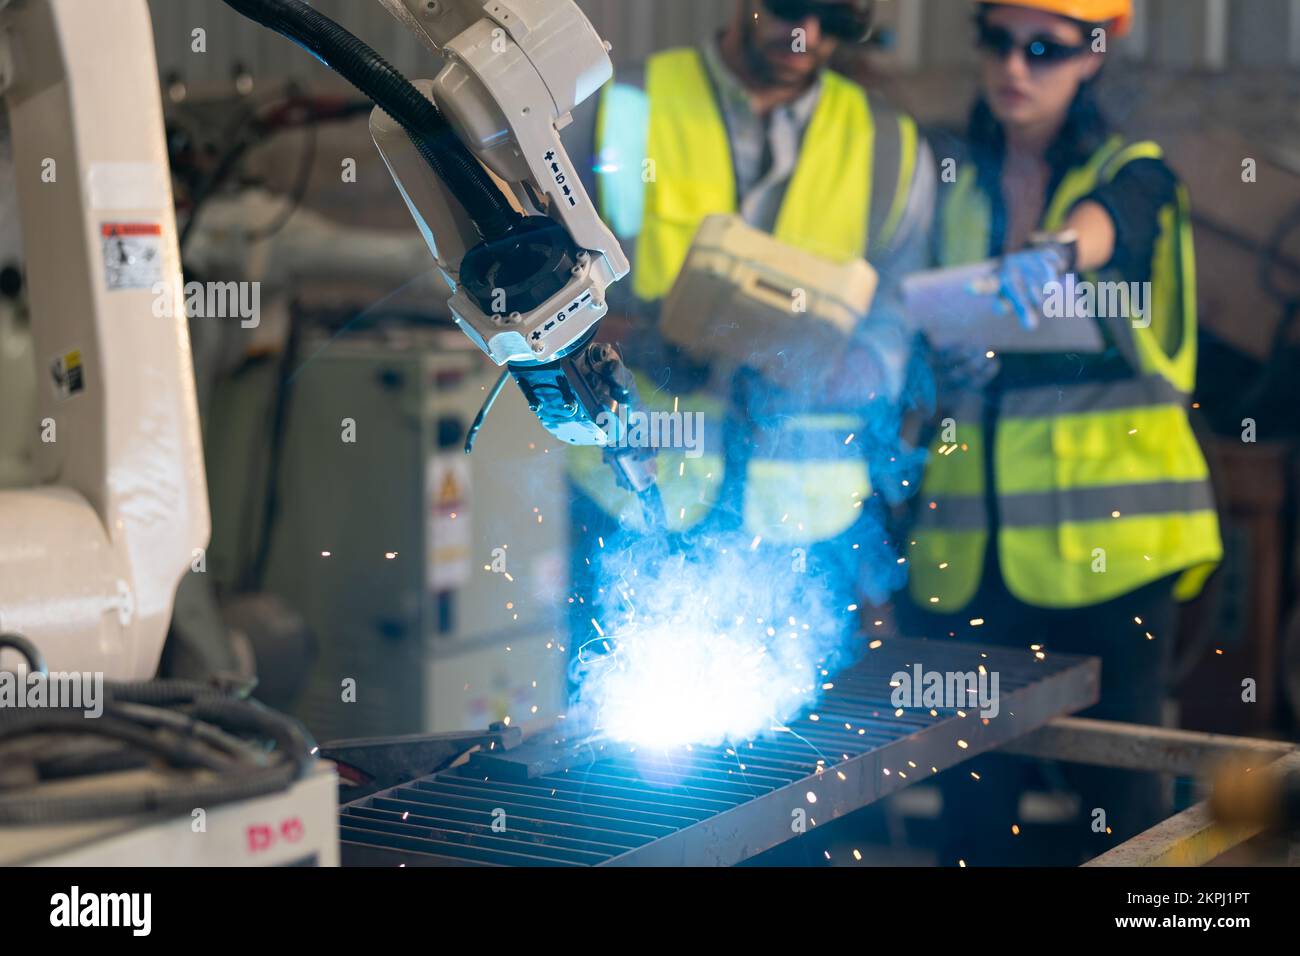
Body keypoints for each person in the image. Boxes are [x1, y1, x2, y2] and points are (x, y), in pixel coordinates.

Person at [901, 0, 1223, 863]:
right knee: (973, 811)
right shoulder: (956, 186)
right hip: (972, 565)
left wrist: (1055, 254)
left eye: (1045, 48)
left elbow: (1113, 224)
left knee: (1125, 812)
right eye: (999, 41)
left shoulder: (1133, 175)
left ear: (1096, 53)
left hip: (1114, 564)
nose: (1016, 66)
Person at [560, 0, 937, 652]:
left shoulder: (889, 145)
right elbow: (545, 294)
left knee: (812, 743)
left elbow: (893, 325)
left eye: (832, 23)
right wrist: (641, 347)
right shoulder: (619, 110)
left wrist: (830, 374)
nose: (806, 37)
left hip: (808, 515)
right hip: (638, 497)